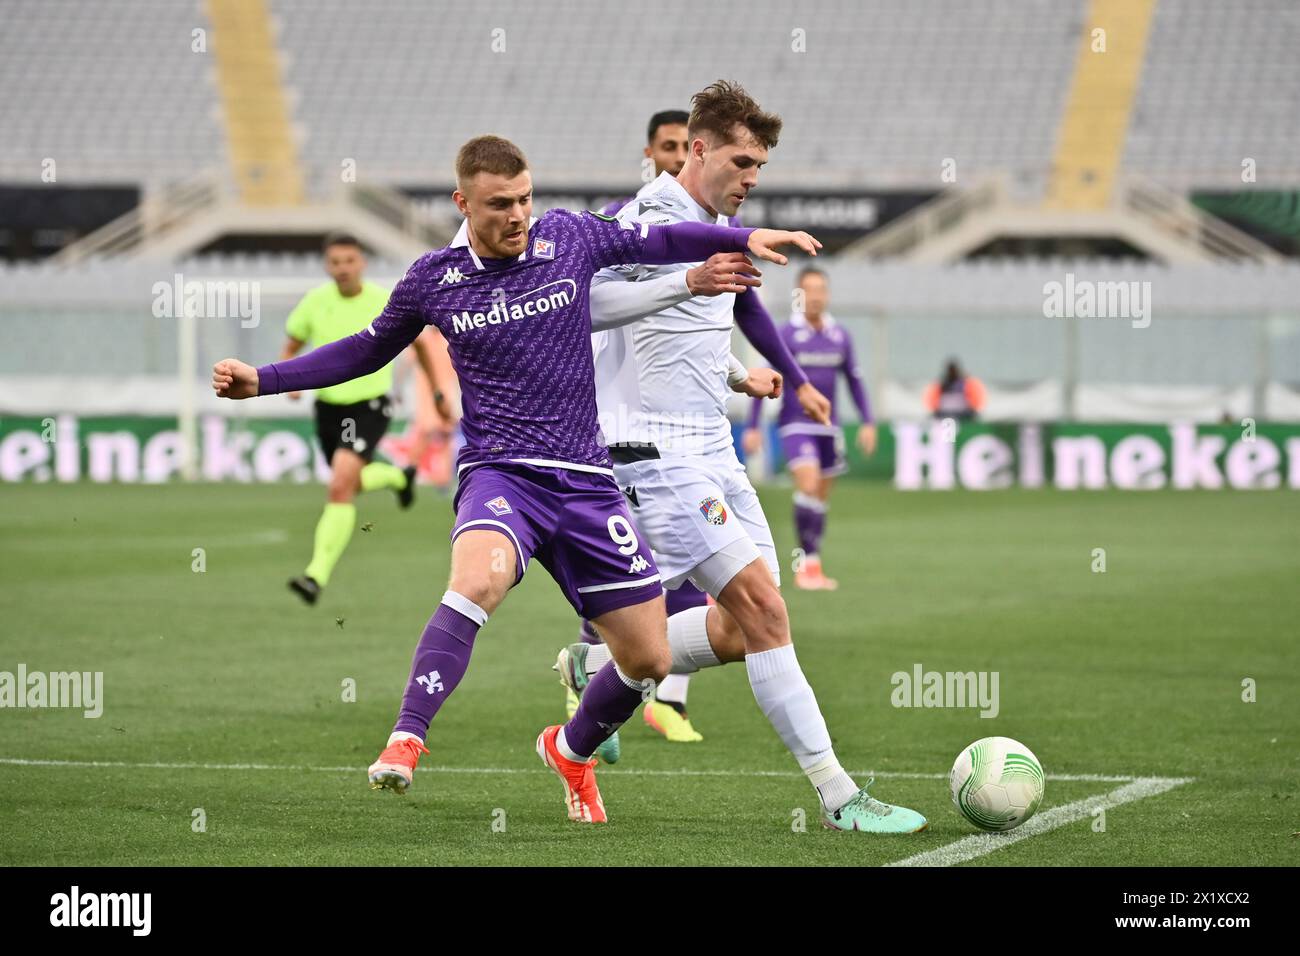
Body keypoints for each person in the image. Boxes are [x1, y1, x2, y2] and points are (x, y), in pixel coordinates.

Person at [212, 132, 822, 825]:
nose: (518, 214)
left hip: (589, 483)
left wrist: (744, 236)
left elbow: (655, 240)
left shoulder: (567, 237)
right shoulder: (432, 280)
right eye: (500, 203)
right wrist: (264, 379)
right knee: (478, 580)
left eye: (525, 198)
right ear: (463, 202)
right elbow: (364, 349)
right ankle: (407, 739)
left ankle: (572, 750)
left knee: (649, 660)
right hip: (502, 474)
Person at [557, 81, 928, 833]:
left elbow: (740, 301)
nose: (752, 176)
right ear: (697, 149)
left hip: (713, 447)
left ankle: (588, 691)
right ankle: (838, 796)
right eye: (743, 160)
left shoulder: (721, 222)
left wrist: (783, 377)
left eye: (760, 165)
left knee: (729, 631)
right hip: (650, 448)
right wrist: (690, 278)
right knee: (764, 608)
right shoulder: (643, 219)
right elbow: (584, 304)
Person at [279, 232, 450, 604]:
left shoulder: (381, 300)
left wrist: (437, 392)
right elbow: (293, 341)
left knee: (340, 485)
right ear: (328, 265)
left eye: (349, 261)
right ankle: (397, 476)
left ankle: (314, 576)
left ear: (362, 263)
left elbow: (420, 344)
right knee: (349, 482)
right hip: (329, 407)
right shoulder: (314, 303)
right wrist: (288, 378)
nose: (343, 269)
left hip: (370, 404)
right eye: (336, 262)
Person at [743, 266, 876, 590]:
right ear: (798, 295)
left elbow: (855, 382)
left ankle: (812, 562)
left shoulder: (840, 335)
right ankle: (804, 567)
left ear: (826, 294)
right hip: (795, 423)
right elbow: (765, 377)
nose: (815, 296)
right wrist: (753, 425)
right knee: (808, 483)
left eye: (820, 290)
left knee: (819, 496)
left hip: (829, 426)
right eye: (808, 290)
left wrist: (868, 421)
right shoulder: (786, 335)